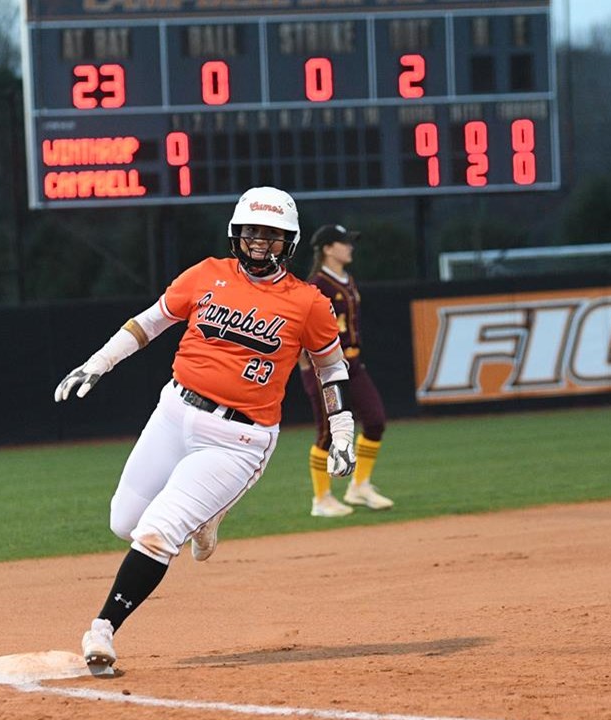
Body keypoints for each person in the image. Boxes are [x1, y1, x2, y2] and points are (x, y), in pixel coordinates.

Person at [54, 186, 356, 667]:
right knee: (124, 522)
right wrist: (98, 363)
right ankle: (207, 518)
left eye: (273, 236)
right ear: (236, 234)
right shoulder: (207, 273)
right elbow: (149, 322)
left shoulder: (309, 302)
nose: (260, 244)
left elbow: (331, 368)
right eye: (252, 233)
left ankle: (102, 630)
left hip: (238, 438)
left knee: (156, 534)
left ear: (290, 243)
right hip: (174, 412)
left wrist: (342, 431)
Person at [298, 223, 394, 517]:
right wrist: (308, 369)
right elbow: (300, 328)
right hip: (324, 367)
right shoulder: (316, 284)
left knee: (375, 420)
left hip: (352, 362)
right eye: (344, 242)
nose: (350, 247)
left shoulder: (347, 280)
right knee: (328, 433)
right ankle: (321, 499)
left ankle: (359, 486)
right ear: (328, 248)